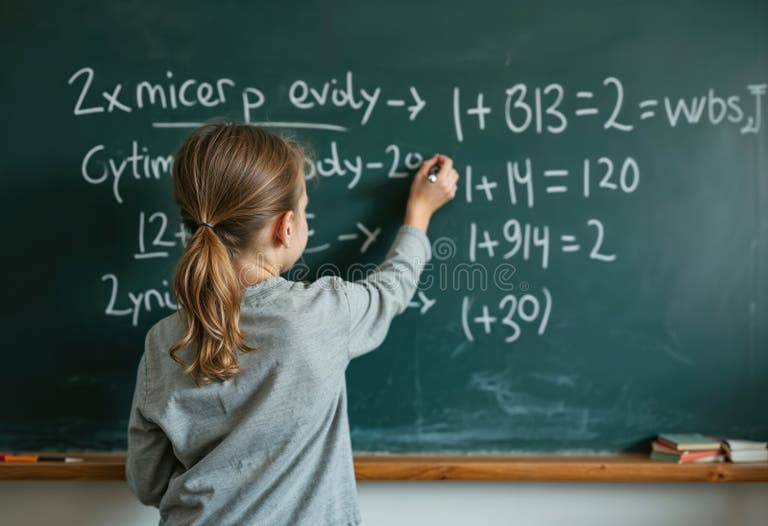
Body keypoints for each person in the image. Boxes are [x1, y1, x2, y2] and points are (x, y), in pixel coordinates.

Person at [126, 122, 459, 525]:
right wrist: (419, 212)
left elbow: (148, 483)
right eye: (304, 208)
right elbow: (392, 288)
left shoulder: (162, 342)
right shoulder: (321, 314)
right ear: (286, 227)